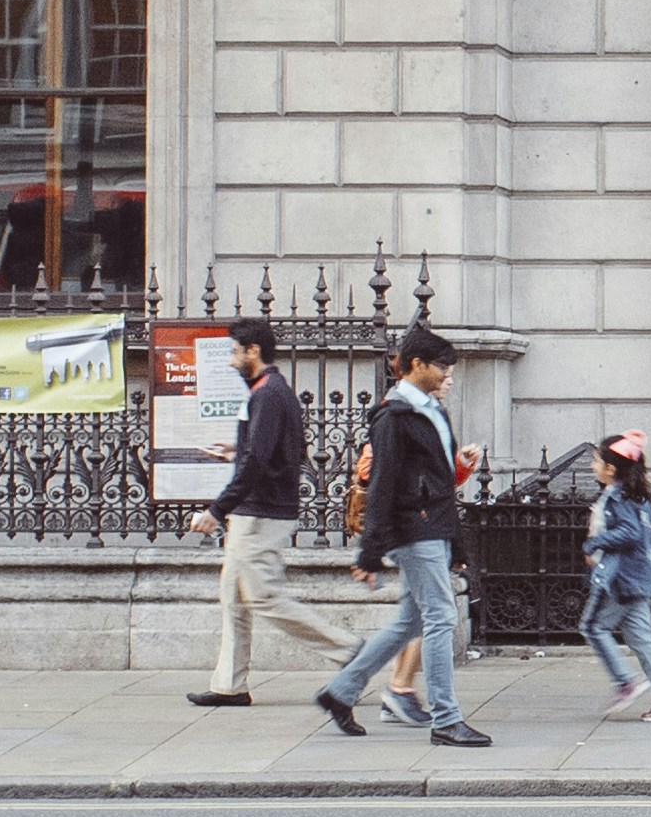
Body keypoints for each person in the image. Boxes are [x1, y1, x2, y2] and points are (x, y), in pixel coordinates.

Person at [317, 324, 492, 750]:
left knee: (410, 621)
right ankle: (447, 720)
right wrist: (370, 551)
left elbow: (439, 482)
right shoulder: (394, 416)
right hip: (414, 529)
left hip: (433, 525)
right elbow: (383, 483)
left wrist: (458, 546)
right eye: (442, 368)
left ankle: (341, 691)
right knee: (441, 618)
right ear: (416, 365)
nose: (448, 375)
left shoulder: (432, 409)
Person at [185, 319, 352, 708]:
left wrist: (215, 509)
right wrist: (235, 451)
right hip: (260, 509)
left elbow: (260, 459)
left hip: (260, 513)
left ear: (253, 351)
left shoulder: (268, 394)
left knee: (263, 597)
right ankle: (230, 685)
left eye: (234, 351)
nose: (230, 361)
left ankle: (350, 651)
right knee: (234, 597)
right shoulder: (270, 392)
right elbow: (277, 451)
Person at [582, 430, 651, 721]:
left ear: (611, 468)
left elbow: (628, 533)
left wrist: (594, 543)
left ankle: (625, 682)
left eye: (595, 461)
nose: (592, 467)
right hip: (640, 578)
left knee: (592, 627)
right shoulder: (638, 496)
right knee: (641, 639)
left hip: (621, 580)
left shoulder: (618, 497)